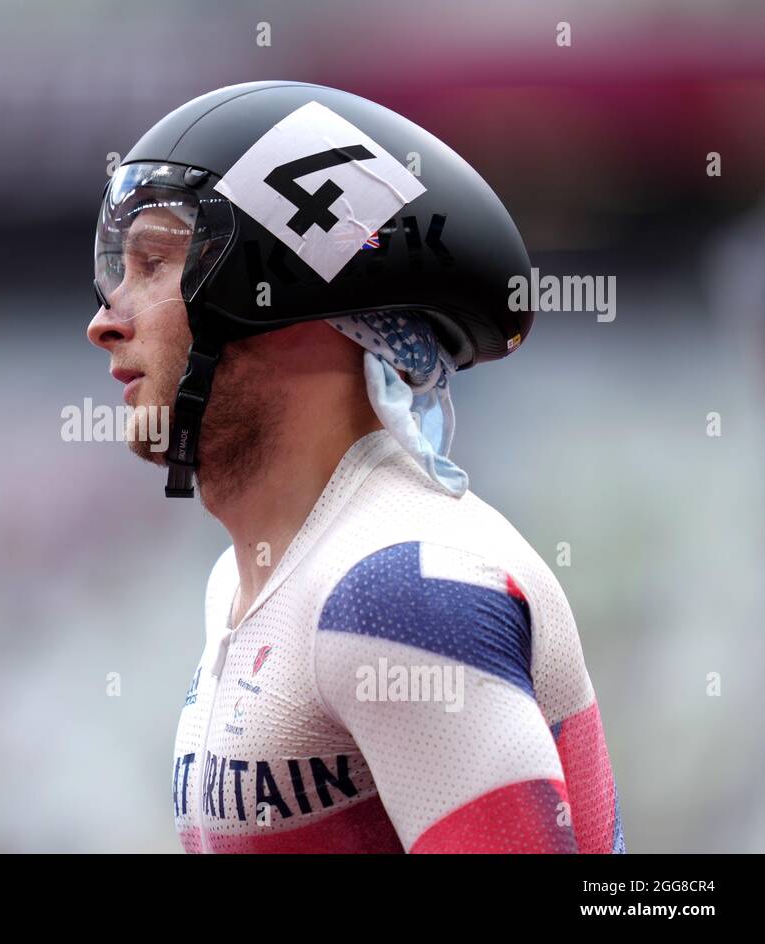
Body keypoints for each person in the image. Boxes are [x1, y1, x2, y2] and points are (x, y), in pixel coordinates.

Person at [86, 81, 624, 853]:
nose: (104, 321)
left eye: (153, 264)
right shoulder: (257, 581)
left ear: (273, 295)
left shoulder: (395, 587)